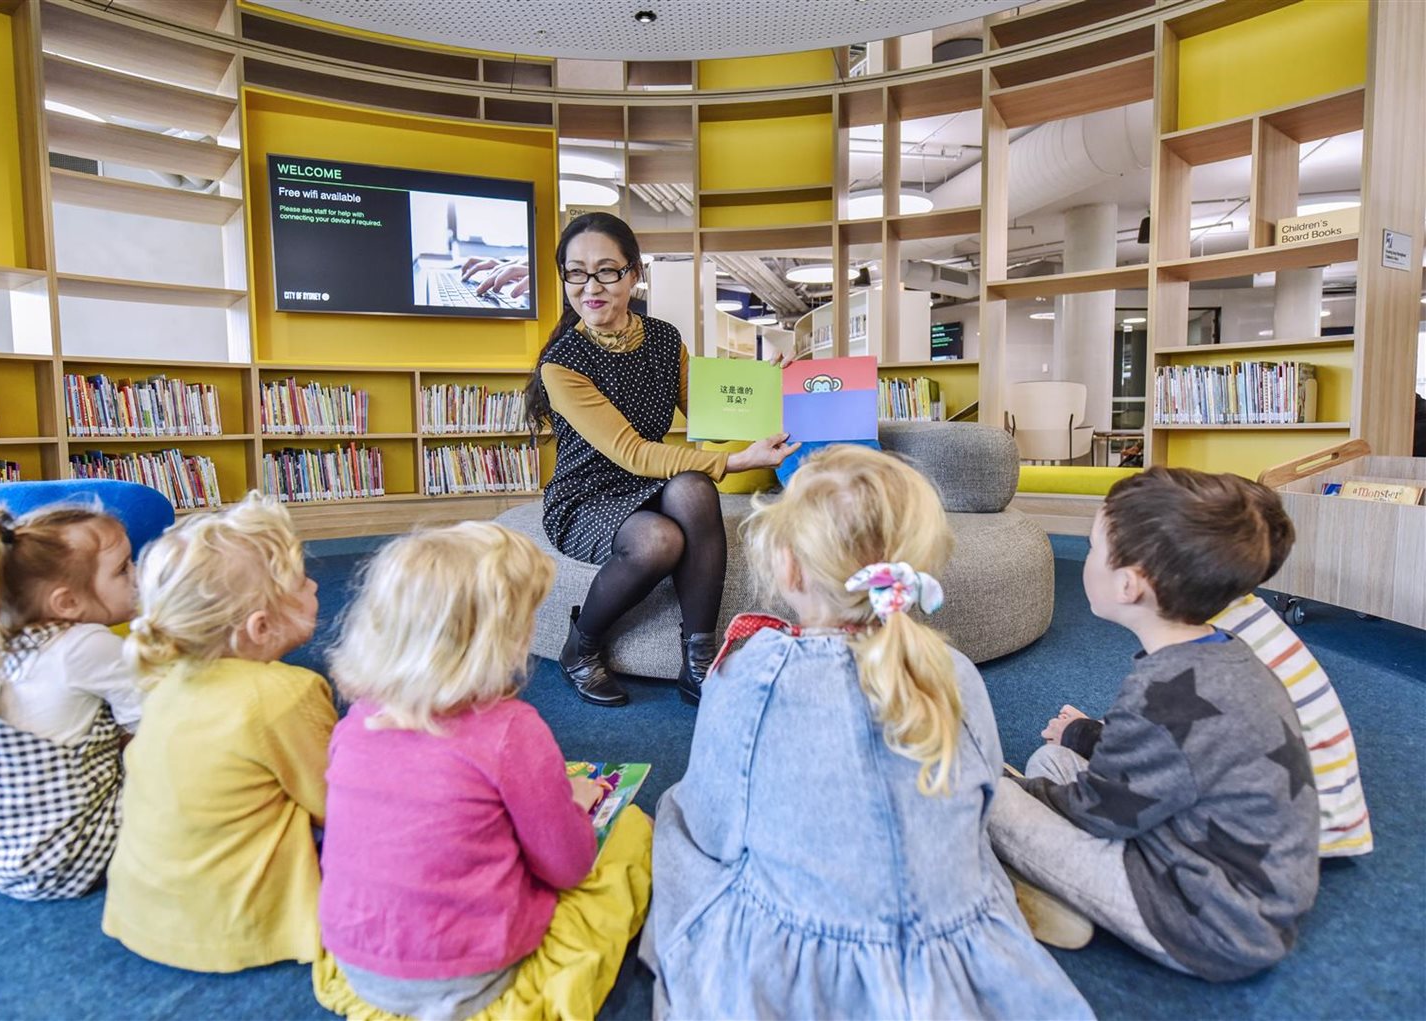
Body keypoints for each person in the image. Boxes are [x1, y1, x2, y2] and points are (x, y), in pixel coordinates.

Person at [642, 446, 1091, 1019]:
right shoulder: (952, 672)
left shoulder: (748, 672)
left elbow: (715, 823)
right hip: (947, 936)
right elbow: (976, 798)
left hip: (798, 953)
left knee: (677, 818)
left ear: (788, 567)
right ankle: (1007, 891)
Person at [990, 468, 1321, 981]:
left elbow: (1098, 810)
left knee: (988, 795)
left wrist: (1013, 792)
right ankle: (1054, 882)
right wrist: (1080, 738)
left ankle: (1041, 882)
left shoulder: (1161, 693)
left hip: (1213, 923)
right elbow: (1169, 760)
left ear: (1128, 585)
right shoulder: (1226, 657)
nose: (1084, 555)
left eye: (1092, 546)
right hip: (1229, 870)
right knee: (1050, 760)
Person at [312, 521, 651, 1021]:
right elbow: (567, 866)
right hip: (472, 976)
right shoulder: (512, 730)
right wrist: (578, 802)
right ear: (501, 641)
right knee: (631, 834)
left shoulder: (355, 722)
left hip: (359, 962)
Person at [526, 211, 799, 707]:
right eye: (576, 271)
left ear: (633, 273)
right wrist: (734, 465)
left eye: (608, 270)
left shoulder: (664, 338)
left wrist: (766, 388)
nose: (592, 286)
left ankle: (699, 660)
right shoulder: (561, 366)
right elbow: (631, 451)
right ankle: (580, 647)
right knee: (659, 539)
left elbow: (710, 414)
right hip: (587, 496)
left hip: (648, 485)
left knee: (693, 487)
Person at [102, 493, 335, 972]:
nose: (314, 584)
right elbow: (338, 805)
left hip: (139, 913)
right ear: (259, 626)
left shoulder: (164, 680)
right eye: (300, 581)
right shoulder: (285, 693)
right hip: (235, 925)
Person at [0, 503, 141, 900]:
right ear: (67, 603)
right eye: (123, 569)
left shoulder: (13, 642)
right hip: (66, 860)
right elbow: (153, 726)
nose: (136, 576)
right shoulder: (85, 644)